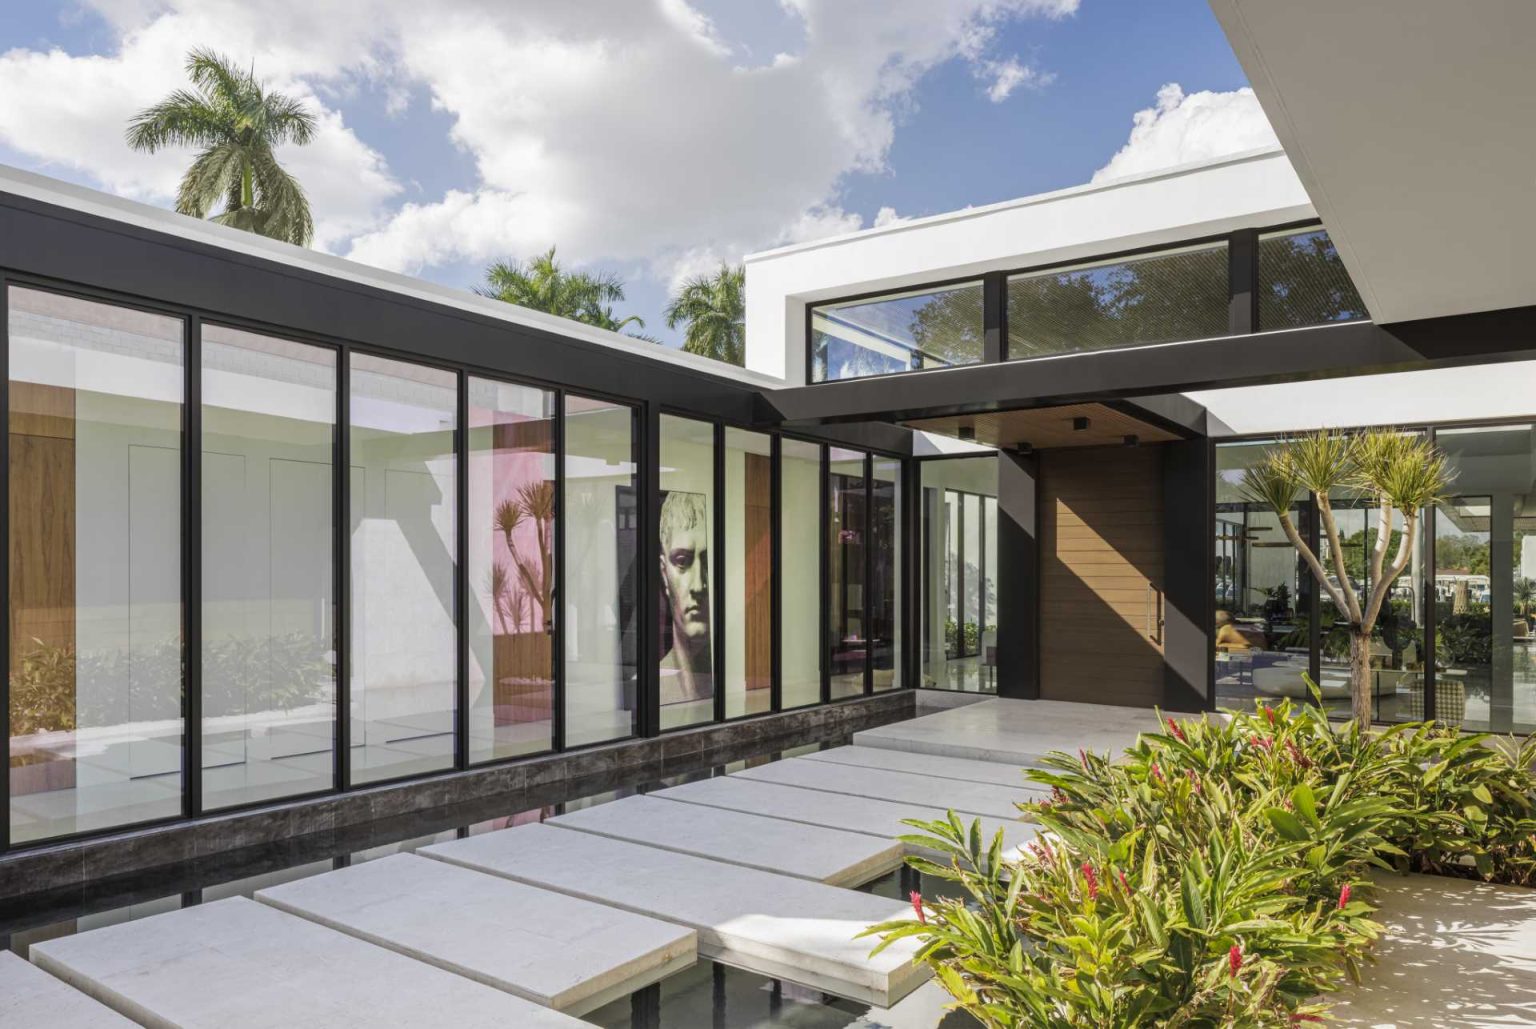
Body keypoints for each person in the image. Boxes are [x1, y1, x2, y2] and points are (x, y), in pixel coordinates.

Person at [659, 491, 711, 704]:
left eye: (708, 563)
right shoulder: (653, 690)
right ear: (664, 574)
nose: (698, 585)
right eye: (682, 562)